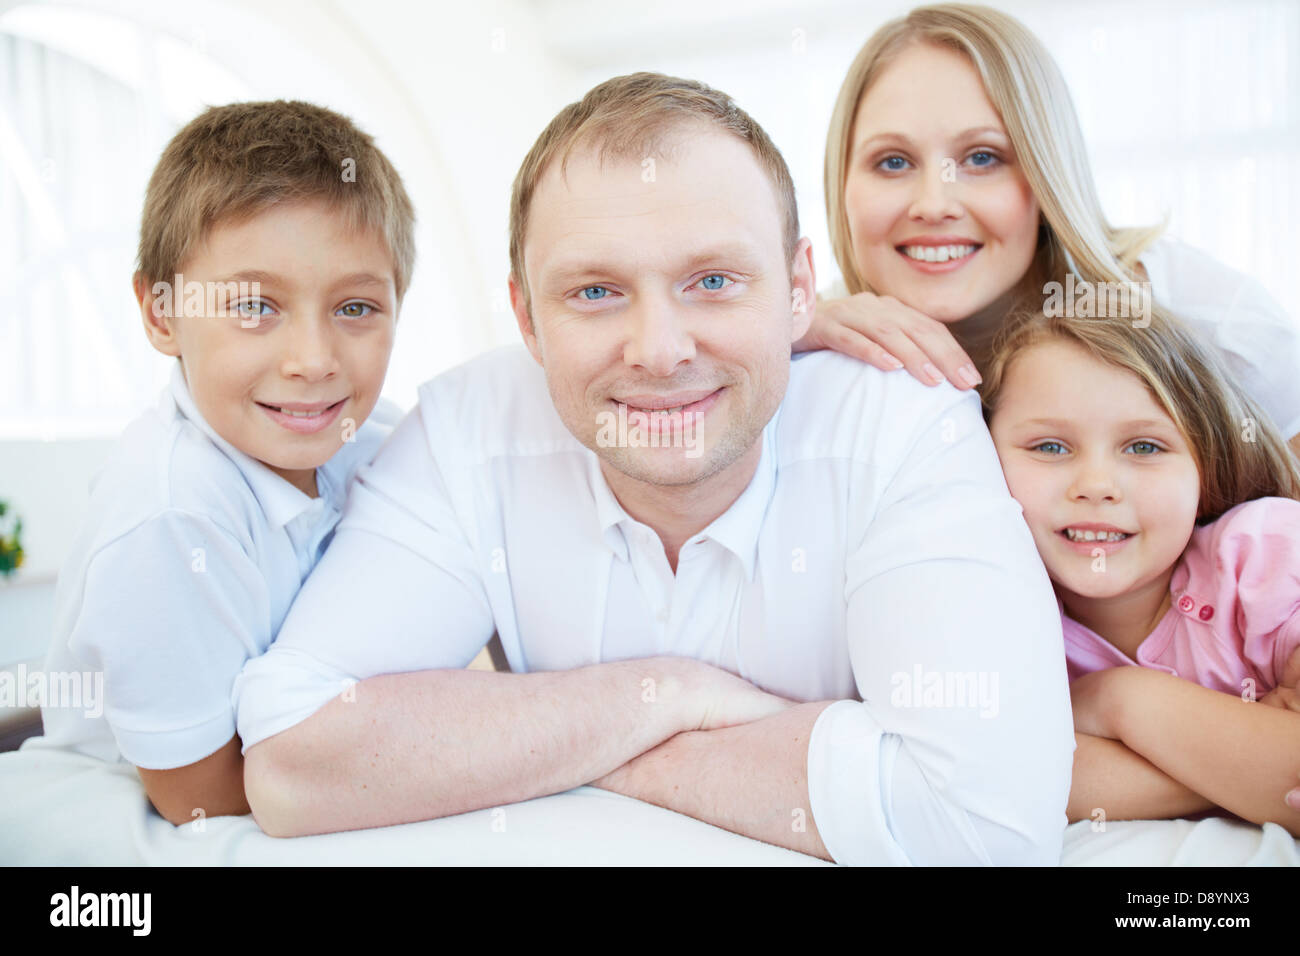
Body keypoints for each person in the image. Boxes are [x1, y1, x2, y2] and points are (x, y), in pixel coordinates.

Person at [234, 72, 1074, 865]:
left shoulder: (906, 424)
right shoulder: (466, 428)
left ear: (797, 292)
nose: (661, 352)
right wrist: (671, 695)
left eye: (713, 280)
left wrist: (570, 747)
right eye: (595, 293)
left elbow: (989, 829)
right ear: (526, 319)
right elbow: (288, 757)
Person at [22, 100, 413, 824]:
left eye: (355, 308)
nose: (314, 361)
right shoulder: (169, 512)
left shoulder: (379, 443)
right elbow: (202, 801)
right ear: (161, 314)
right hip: (155, 826)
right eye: (254, 306)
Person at [799, 3, 1300, 457]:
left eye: (982, 157)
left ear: (1047, 174)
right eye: (892, 162)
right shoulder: (815, 340)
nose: (934, 204)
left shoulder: (1201, 315)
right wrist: (784, 335)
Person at [982, 304, 1300, 834]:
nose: (1097, 483)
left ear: (1206, 464)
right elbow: (1019, 785)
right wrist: (1243, 770)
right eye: (1051, 446)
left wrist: (1119, 701)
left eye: (1145, 446)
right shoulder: (993, 623)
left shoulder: (1263, 554)